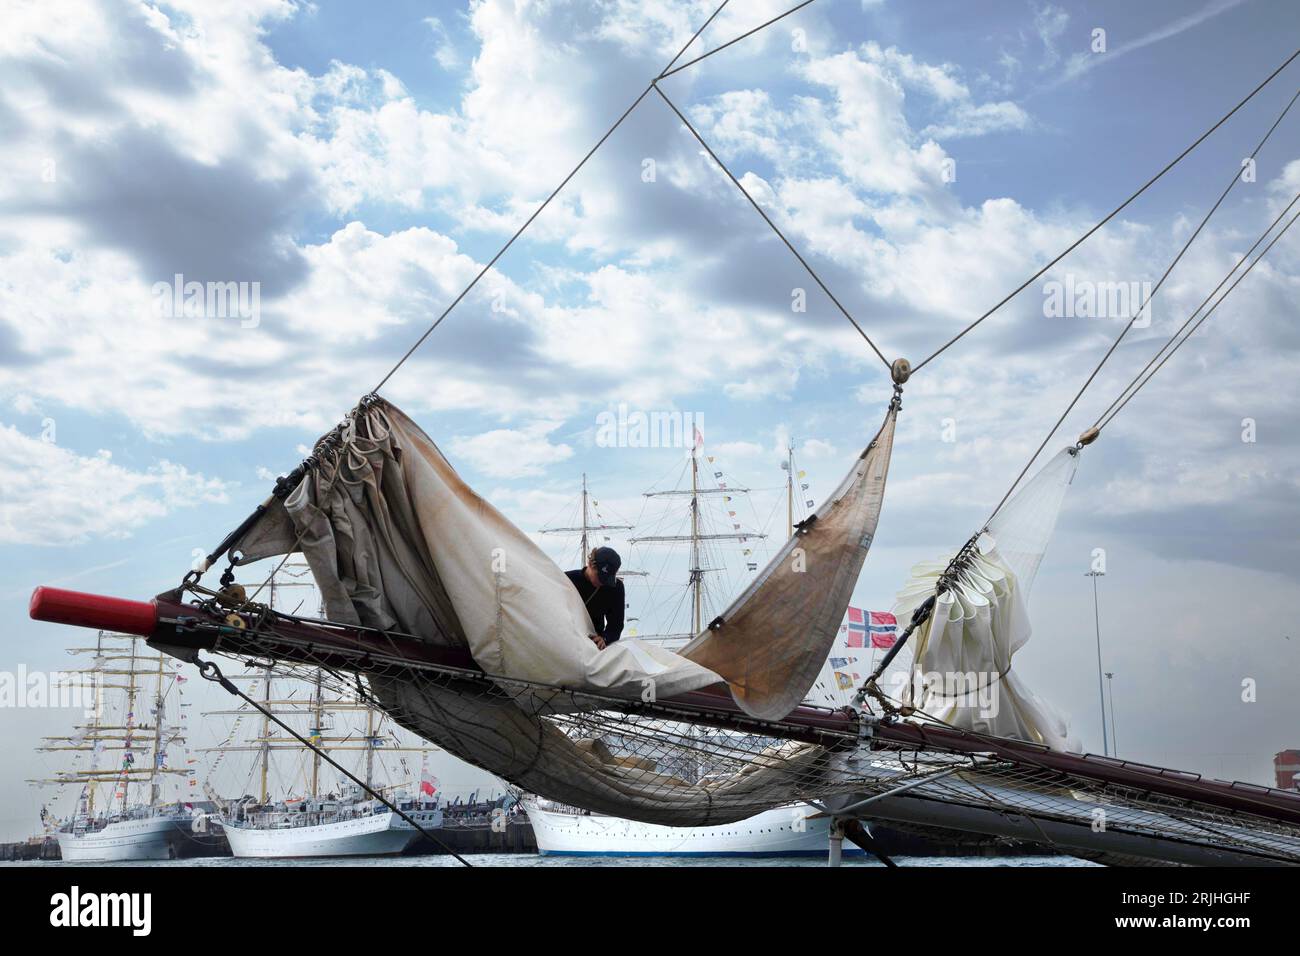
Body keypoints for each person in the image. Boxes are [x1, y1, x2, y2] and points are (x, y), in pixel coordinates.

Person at [565, 546, 624, 650]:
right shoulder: (568, 580)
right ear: (591, 564)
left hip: (593, 644)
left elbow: (616, 625)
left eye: (607, 579)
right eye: (600, 577)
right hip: (566, 637)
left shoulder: (615, 588)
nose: (603, 582)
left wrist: (605, 638)